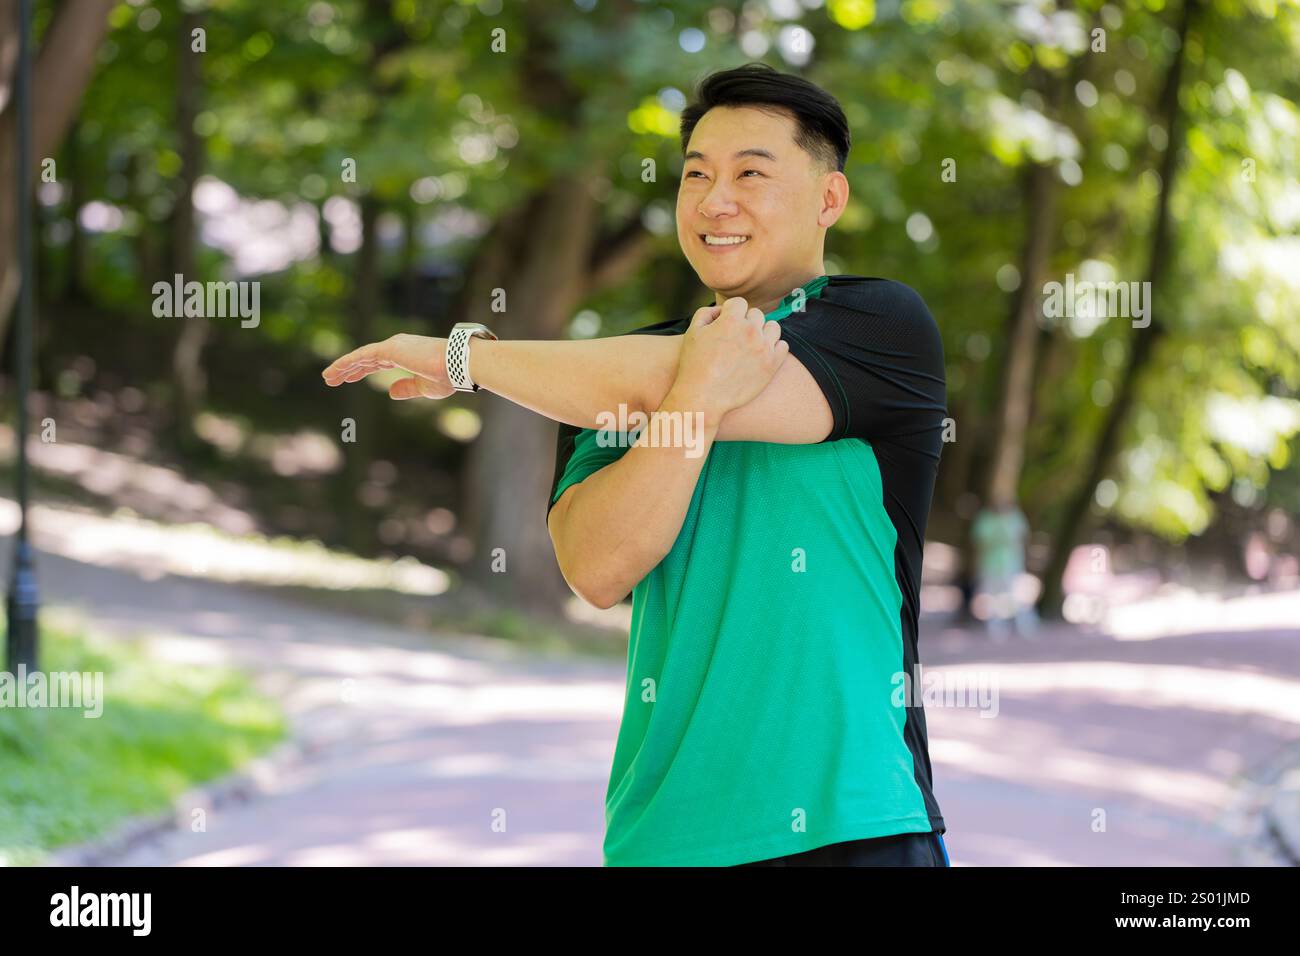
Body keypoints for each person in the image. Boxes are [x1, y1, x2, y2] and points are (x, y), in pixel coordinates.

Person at [323, 63, 950, 868]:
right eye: (696, 176)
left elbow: (706, 377)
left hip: (854, 823)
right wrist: (691, 397)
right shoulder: (607, 377)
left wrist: (467, 358)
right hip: (664, 836)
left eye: (751, 174)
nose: (715, 201)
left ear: (829, 199)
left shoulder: (882, 325)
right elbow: (597, 567)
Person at [971, 500, 1038, 640]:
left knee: (1017, 596)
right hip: (990, 565)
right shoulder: (986, 518)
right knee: (991, 597)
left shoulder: (1014, 517)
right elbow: (982, 539)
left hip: (1012, 564)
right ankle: (996, 628)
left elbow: (1020, 535)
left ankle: (1024, 626)